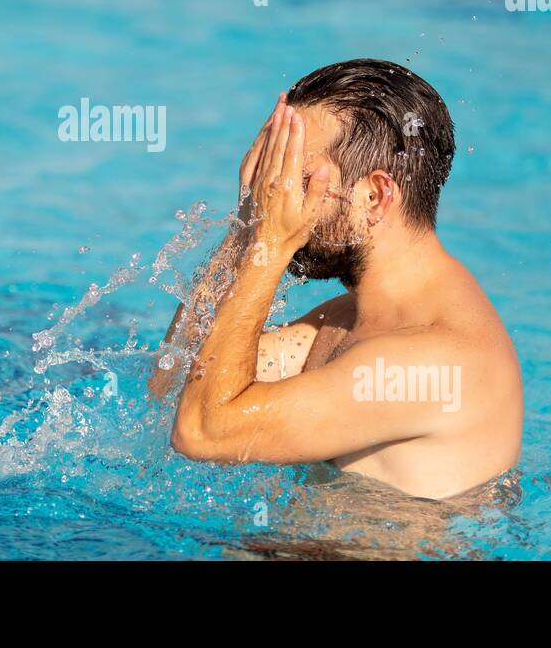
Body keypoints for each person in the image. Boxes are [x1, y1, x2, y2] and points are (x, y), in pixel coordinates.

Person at [151, 59, 522, 500]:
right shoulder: (350, 319)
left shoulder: (435, 359)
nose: (280, 192)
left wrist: (268, 245)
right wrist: (247, 225)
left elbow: (201, 433)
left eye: (298, 177)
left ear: (374, 196)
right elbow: (174, 382)